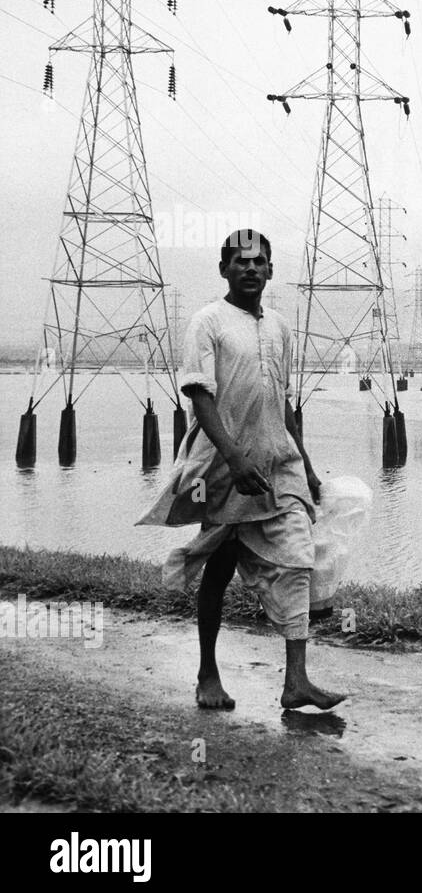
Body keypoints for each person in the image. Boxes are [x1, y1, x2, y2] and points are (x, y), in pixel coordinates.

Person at [138, 229, 345, 712]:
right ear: (224, 269)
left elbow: (284, 402)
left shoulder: (280, 328)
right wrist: (233, 455)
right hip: (225, 466)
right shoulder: (207, 322)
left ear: (271, 270)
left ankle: (297, 681)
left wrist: (307, 469)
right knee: (220, 566)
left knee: (298, 559)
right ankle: (207, 673)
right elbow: (199, 395)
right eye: (240, 262)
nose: (251, 269)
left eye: (259, 262)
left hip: (280, 463)